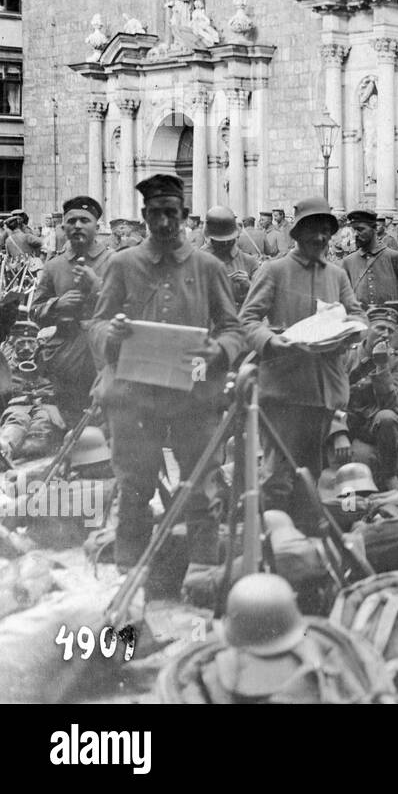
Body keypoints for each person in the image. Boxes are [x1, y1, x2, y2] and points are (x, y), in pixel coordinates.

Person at [88, 173, 244, 572]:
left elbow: (233, 329)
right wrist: (115, 333)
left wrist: (218, 353)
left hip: (193, 392)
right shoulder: (124, 264)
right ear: (144, 215)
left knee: (199, 485)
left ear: (184, 215)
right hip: (136, 395)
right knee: (134, 486)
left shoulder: (207, 266)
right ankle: (130, 577)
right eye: (155, 214)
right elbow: (98, 323)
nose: (163, 223)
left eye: (171, 213)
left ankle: (202, 574)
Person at [240, 197, 366, 529]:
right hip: (282, 389)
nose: (321, 239)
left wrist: (350, 332)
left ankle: (304, 544)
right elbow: (247, 321)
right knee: (277, 474)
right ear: (297, 234)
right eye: (314, 231)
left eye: (326, 232)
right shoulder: (274, 270)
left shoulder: (336, 276)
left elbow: (356, 315)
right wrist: (271, 341)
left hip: (322, 389)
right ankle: (271, 543)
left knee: (310, 473)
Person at [31, 195, 113, 414]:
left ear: (97, 226)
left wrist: (97, 286)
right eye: (72, 221)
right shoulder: (54, 265)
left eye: (84, 221)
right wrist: (57, 304)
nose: (77, 226)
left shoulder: (115, 262)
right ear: (64, 226)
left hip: (104, 359)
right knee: (67, 420)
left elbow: (132, 308)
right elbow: (34, 312)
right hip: (64, 358)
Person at [347, 305, 398, 490]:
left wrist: (382, 367)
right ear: (367, 329)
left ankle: (390, 475)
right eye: (380, 328)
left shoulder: (397, 361)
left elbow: (391, 403)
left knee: (388, 417)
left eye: (390, 330)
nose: (386, 334)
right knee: (357, 469)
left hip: (379, 426)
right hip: (351, 424)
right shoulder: (348, 355)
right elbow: (336, 396)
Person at [342, 209, 398, 337]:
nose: (355, 234)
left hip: (392, 333)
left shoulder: (395, 258)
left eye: (360, 229)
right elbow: (343, 302)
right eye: (354, 230)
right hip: (360, 336)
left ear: (374, 228)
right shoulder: (348, 262)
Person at [201, 206, 261, 306]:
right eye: (219, 241)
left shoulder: (249, 262)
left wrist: (249, 285)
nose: (225, 244)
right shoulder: (198, 260)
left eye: (228, 240)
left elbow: (262, 300)